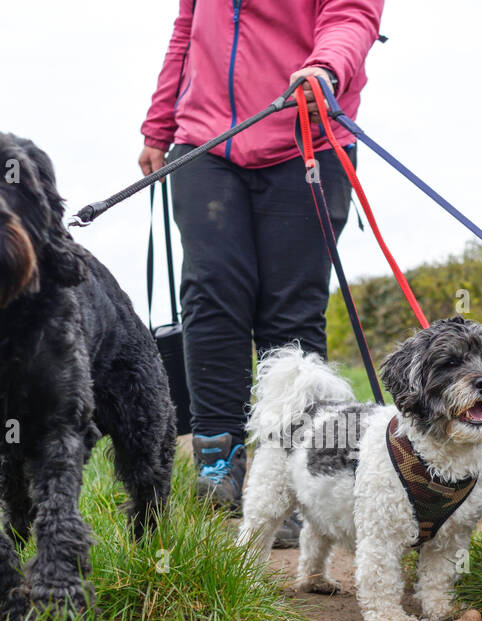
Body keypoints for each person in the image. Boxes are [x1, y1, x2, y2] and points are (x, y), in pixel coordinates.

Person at [140, 0, 385, 543]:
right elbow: (187, 30)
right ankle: (216, 465)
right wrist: (159, 124)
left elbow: (352, 16)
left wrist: (326, 68)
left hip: (307, 132)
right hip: (203, 142)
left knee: (291, 313)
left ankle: (299, 476)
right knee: (210, 292)